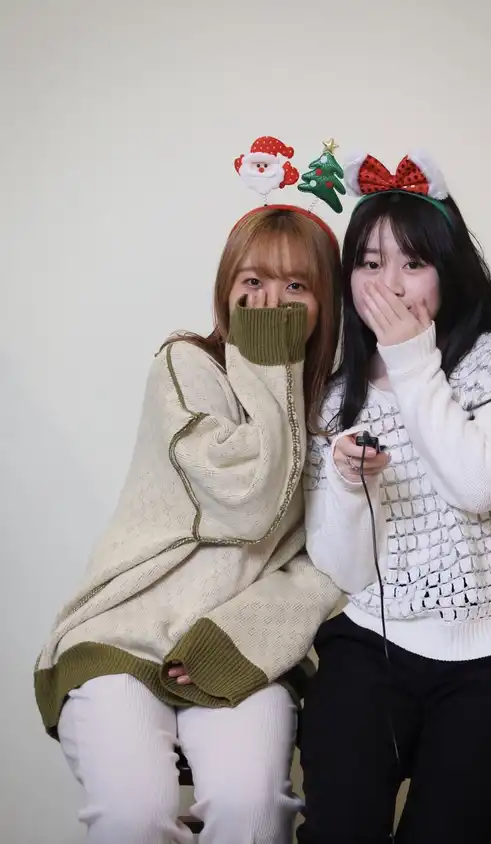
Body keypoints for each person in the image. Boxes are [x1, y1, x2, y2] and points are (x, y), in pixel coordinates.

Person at [34, 204, 343, 844]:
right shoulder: (184, 366)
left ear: (327, 302)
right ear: (225, 289)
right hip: (126, 631)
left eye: (296, 285)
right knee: (133, 815)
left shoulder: (339, 408)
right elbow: (246, 494)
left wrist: (243, 636)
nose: (270, 303)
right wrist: (269, 352)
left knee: (252, 812)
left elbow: (332, 564)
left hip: (242, 644)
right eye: (252, 281)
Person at [299, 150, 491, 844]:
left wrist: (412, 358)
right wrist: (349, 483)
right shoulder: (336, 394)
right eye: (370, 263)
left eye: (413, 263)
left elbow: (479, 487)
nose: (390, 284)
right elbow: (343, 569)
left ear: (449, 268)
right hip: (369, 652)